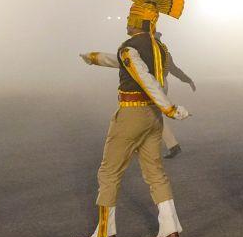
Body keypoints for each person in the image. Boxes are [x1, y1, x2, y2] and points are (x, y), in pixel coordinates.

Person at [73, 0, 191, 237]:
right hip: (152, 118)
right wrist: (95, 57)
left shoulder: (130, 46)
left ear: (141, 22)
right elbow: (129, 65)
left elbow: (143, 77)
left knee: (109, 172)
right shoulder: (159, 48)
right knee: (155, 172)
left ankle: (104, 236)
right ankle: (170, 230)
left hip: (132, 114)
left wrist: (170, 108)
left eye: (132, 18)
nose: (128, 22)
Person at [80, 30, 195, 160]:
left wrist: (95, 58)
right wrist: (187, 79)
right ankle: (170, 145)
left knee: (145, 114)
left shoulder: (147, 51)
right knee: (152, 115)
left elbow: (125, 62)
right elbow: (174, 69)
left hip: (152, 84)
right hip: (161, 83)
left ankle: (154, 144)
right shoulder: (163, 52)